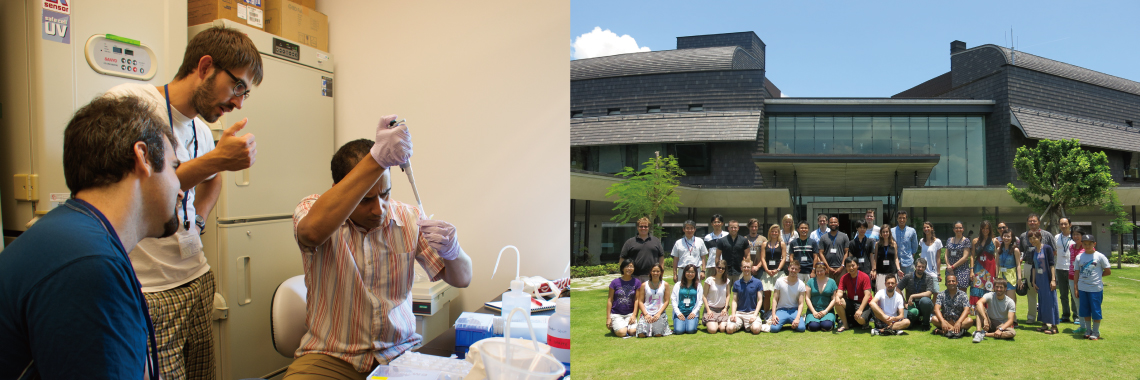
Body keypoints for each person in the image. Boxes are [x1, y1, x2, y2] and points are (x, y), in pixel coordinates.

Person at [104, 26, 263, 379]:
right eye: (237, 87)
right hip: (149, 289)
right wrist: (218, 160)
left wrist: (200, 219)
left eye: (245, 95)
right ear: (205, 66)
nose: (237, 102)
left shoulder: (202, 130)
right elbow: (132, 188)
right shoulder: (131, 103)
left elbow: (212, 181)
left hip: (196, 278)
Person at [0, 96, 181, 379]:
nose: (180, 190)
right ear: (143, 157)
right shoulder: (89, 265)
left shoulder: (69, 234)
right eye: (174, 167)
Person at [288, 133, 473, 378]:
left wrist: (453, 251)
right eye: (365, 199)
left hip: (399, 354)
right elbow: (311, 234)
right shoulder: (313, 210)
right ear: (340, 191)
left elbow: (462, 278)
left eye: (385, 194)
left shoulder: (408, 218)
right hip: (330, 357)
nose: (379, 209)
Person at [1019, 213, 1056, 324]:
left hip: (1044, 268)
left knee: (1045, 292)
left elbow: (1053, 252)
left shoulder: (1047, 235)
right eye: (1030, 221)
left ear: (1039, 222)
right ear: (1027, 223)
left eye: (1034, 221)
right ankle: (1031, 317)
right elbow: (1021, 252)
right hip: (1029, 265)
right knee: (1031, 292)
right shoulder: (1023, 236)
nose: (1032, 223)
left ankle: (1047, 318)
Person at [1074, 234, 1111, 340]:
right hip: (1082, 288)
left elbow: (1108, 271)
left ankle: (1096, 331)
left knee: (1095, 310)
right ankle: (1088, 330)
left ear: (1094, 244)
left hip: (1095, 288)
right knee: (1085, 310)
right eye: (1085, 244)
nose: (1087, 246)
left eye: (1090, 244)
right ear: (1082, 244)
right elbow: (1076, 273)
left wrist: (1099, 275)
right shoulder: (1079, 257)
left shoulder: (1100, 256)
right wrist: (1076, 288)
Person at [1027, 230, 1059, 334]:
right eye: (1030, 239)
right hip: (1039, 280)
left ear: (1040, 238)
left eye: (1035, 238)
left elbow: (1051, 264)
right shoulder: (1033, 251)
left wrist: (1053, 280)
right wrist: (1033, 281)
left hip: (1047, 279)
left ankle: (1054, 326)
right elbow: (1033, 267)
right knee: (1042, 302)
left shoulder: (1047, 248)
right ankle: (1044, 324)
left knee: (1051, 301)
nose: (1033, 241)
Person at [726, 259, 765, 334]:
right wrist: (733, 314)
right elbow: (734, 300)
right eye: (744, 267)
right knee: (729, 329)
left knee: (756, 330)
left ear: (751, 268)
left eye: (748, 267)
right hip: (739, 313)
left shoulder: (758, 282)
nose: (746, 269)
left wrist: (755, 315)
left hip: (752, 313)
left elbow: (760, 300)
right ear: (741, 268)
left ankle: (748, 325)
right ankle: (743, 324)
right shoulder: (737, 283)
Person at [768, 260, 808, 333]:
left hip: (794, 310)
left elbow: (801, 303)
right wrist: (773, 315)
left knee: (801, 328)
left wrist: (797, 318)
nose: (793, 271)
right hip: (781, 310)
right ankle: (774, 317)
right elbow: (774, 299)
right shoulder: (779, 281)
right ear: (788, 268)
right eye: (792, 268)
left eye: (796, 269)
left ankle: (801, 318)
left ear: (799, 271)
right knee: (774, 329)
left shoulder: (801, 284)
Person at [621, 217, 665, 283]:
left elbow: (661, 257)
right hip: (634, 276)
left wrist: (661, 271)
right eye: (641, 226)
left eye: (645, 226)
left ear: (648, 228)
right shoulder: (630, 242)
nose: (643, 228)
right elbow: (622, 258)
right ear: (637, 227)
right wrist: (623, 272)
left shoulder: (656, 241)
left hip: (652, 275)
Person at [836, 257, 874, 332]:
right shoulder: (844, 278)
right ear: (846, 267)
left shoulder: (865, 277)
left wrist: (860, 310)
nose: (851, 268)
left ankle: (862, 322)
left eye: (853, 265)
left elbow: (867, 295)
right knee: (837, 302)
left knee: (860, 320)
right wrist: (837, 297)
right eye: (848, 266)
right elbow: (840, 292)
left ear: (857, 265)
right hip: (852, 302)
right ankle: (845, 324)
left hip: (864, 304)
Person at [899, 258, 937, 331]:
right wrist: (904, 303)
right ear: (915, 266)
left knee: (925, 300)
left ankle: (926, 324)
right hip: (912, 304)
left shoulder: (929, 278)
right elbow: (898, 289)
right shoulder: (908, 277)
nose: (920, 268)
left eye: (923, 267)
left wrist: (913, 296)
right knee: (911, 318)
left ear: (925, 268)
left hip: (924, 305)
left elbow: (929, 293)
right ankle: (915, 321)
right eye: (919, 266)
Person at [607, 260, 641, 337]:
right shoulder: (614, 282)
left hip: (630, 313)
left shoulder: (637, 282)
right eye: (627, 266)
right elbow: (610, 300)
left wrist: (634, 315)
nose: (629, 268)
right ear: (622, 268)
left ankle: (624, 327)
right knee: (622, 333)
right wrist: (608, 318)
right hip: (616, 313)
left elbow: (637, 300)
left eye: (631, 266)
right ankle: (617, 327)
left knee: (633, 332)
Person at [759, 224, 788, 317]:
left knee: (778, 295)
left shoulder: (782, 244)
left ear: (778, 233)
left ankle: (777, 313)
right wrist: (767, 270)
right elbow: (762, 258)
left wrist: (778, 269)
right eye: (772, 231)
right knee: (767, 295)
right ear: (769, 233)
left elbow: (784, 258)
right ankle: (766, 314)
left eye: (776, 232)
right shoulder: (765, 244)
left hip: (779, 272)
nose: (774, 233)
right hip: (767, 272)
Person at [636, 264, 672, 338]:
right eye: (654, 271)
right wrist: (646, 314)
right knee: (641, 334)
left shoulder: (665, 284)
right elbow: (640, 301)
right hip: (646, 312)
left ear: (661, 272)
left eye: (658, 271)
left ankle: (655, 327)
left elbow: (667, 301)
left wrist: (658, 314)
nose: (655, 273)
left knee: (657, 333)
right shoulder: (644, 285)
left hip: (659, 313)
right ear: (650, 272)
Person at [995, 227, 1022, 325]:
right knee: (1002, 299)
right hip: (1001, 277)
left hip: (1011, 277)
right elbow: (997, 263)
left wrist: (1019, 278)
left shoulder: (1015, 250)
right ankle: (1004, 319)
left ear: (1012, 238)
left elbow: (1018, 264)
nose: (1006, 238)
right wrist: (995, 276)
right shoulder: (999, 249)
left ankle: (1013, 320)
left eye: (1008, 236)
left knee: (1011, 299)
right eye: (1005, 236)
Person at [970, 220, 998, 308]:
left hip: (990, 268)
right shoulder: (975, 241)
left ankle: (989, 313)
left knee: (989, 288)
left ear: (990, 230)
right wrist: (971, 270)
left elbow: (998, 257)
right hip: (978, 267)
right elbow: (972, 256)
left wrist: (997, 272)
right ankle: (977, 312)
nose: (985, 230)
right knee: (976, 288)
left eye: (987, 228)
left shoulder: (994, 241)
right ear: (980, 229)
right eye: (983, 228)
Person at [805, 262, 840, 332]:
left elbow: (833, 299)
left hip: (827, 311)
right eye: (817, 271)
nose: (819, 273)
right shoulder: (810, 281)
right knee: (813, 327)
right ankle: (807, 317)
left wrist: (825, 311)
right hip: (813, 311)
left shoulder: (832, 282)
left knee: (826, 326)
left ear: (825, 271)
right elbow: (807, 298)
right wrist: (814, 312)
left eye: (821, 271)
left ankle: (831, 318)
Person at [1054, 217, 1077, 323]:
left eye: (1065, 224)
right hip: (1059, 268)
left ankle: (1076, 315)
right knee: (1063, 294)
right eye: (1061, 224)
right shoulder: (1057, 237)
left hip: (1072, 268)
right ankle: (1065, 315)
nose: (1063, 226)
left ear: (1070, 225)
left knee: (1073, 293)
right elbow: (1054, 251)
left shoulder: (1075, 237)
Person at [672, 265, 703, 334]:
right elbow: (673, 300)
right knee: (679, 331)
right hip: (680, 312)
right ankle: (681, 322)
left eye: (692, 272)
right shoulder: (678, 285)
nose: (690, 274)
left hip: (692, 312)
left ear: (695, 273)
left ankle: (690, 322)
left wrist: (694, 312)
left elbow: (700, 301)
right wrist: (678, 313)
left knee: (690, 330)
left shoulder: (698, 285)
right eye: (688, 272)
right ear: (684, 273)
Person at [703, 260, 732, 334]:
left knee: (722, 329)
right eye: (719, 267)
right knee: (713, 330)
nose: (721, 270)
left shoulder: (727, 281)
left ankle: (717, 322)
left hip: (722, 310)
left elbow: (728, 295)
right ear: (715, 268)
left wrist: (725, 308)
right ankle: (710, 322)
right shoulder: (709, 280)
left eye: (723, 268)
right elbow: (704, 296)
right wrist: (708, 310)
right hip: (711, 309)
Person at [1069, 228, 1089, 334]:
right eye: (1074, 234)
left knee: (1084, 302)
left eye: (1078, 234)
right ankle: (1082, 326)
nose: (1075, 236)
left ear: (1082, 236)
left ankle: (1088, 326)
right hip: (1072, 277)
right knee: (1077, 303)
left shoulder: (1086, 248)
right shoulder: (1071, 247)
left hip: (1084, 279)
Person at [818, 216, 850, 282]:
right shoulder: (823, 237)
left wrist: (842, 266)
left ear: (838, 224)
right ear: (828, 223)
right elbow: (821, 253)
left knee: (841, 289)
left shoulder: (844, 236)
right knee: (828, 289)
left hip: (841, 269)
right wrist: (827, 267)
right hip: (827, 269)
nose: (833, 224)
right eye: (831, 222)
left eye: (835, 222)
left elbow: (847, 252)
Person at [872, 224, 902, 291]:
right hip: (881, 272)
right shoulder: (877, 244)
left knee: (893, 291)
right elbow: (875, 258)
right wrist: (874, 270)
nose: (885, 233)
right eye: (883, 232)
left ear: (889, 233)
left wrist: (899, 269)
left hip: (892, 271)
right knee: (880, 291)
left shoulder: (894, 244)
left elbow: (896, 258)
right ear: (881, 233)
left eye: (887, 232)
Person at [945, 221, 972, 295]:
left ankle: (962, 306)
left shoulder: (966, 241)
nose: (958, 230)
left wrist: (953, 266)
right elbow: (946, 255)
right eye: (956, 228)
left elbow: (965, 257)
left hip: (962, 270)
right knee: (950, 290)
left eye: (960, 228)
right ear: (953, 229)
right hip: (950, 269)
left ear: (963, 229)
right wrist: (948, 266)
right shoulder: (949, 240)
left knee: (961, 292)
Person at [893, 211, 920, 277]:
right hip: (895, 263)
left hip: (908, 262)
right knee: (896, 285)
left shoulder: (912, 231)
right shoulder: (892, 231)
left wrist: (910, 256)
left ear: (906, 219)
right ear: (897, 219)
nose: (902, 220)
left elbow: (915, 246)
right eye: (900, 218)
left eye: (903, 218)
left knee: (910, 285)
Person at [919, 221, 944, 293]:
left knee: (936, 291)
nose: (926, 229)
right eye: (924, 227)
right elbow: (922, 255)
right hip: (923, 271)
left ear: (932, 228)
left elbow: (938, 258)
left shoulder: (938, 242)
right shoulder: (922, 241)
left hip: (933, 271)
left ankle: (934, 304)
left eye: (927, 227)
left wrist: (938, 273)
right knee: (923, 292)